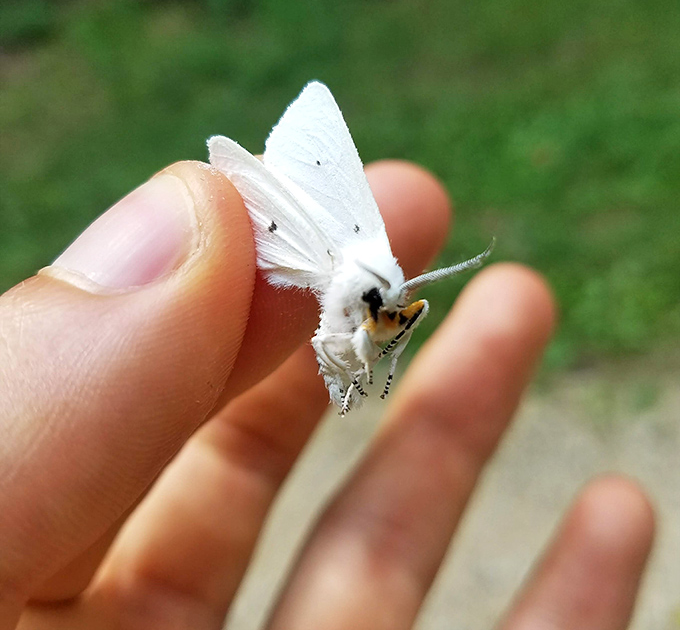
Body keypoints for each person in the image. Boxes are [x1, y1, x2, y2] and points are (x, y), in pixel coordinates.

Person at [0, 159, 654, 630]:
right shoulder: (355, 292)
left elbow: (364, 337)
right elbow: (343, 339)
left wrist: (376, 350)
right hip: (284, 245)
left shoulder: (375, 301)